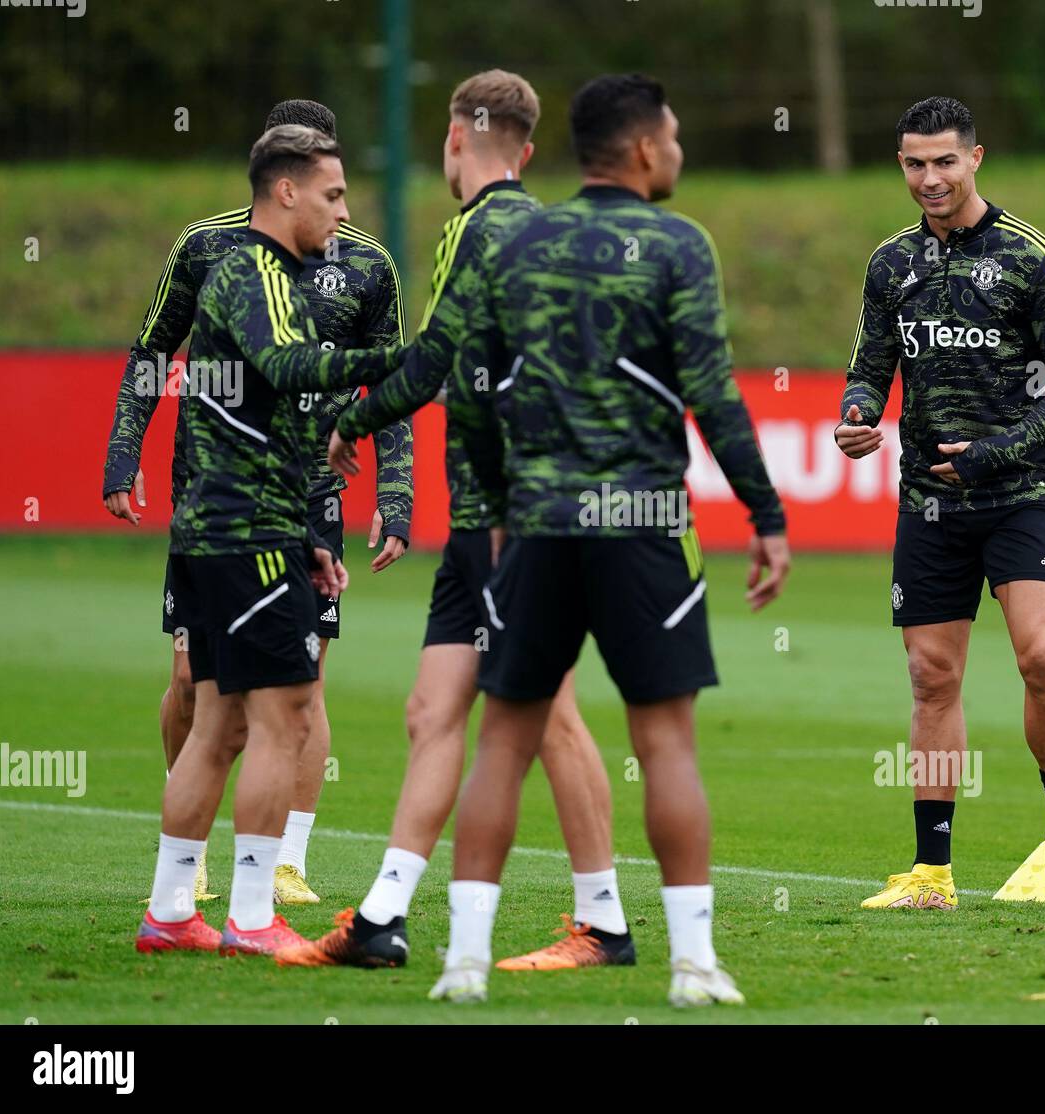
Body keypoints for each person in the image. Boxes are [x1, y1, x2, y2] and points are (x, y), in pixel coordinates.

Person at [425, 73, 791, 1007]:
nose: (677, 152)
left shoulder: (515, 239)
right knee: (665, 744)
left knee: (502, 741)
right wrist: (766, 515)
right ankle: (694, 965)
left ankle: (463, 962)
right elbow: (712, 392)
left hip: (540, 525)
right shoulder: (675, 243)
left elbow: (468, 392)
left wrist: (498, 506)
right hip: (643, 526)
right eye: (671, 138)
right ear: (639, 149)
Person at [278, 70, 635, 973]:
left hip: (517, 516)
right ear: (525, 144)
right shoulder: (543, 226)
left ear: (453, 140)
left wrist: (348, 418)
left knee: (546, 710)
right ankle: (381, 921)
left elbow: (431, 359)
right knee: (433, 709)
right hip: (489, 515)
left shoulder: (481, 230)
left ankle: (606, 926)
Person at [103, 99, 412, 905]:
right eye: (332, 189)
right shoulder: (219, 254)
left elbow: (380, 394)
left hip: (301, 500)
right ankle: (205, 873)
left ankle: (277, 866)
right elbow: (160, 351)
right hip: (226, 502)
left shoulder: (367, 265)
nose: (343, 208)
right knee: (205, 688)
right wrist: (123, 451)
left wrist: (396, 489)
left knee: (295, 689)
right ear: (285, 183)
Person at [835, 95, 1045, 912]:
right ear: (901, 165)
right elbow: (869, 366)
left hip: (1020, 496)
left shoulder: (1029, 257)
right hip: (927, 505)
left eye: (945, 161)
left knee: (1042, 658)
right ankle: (931, 873)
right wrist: (855, 414)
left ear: (976, 158)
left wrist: (998, 451)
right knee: (931, 677)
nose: (930, 178)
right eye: (915, 163)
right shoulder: (890, 265)